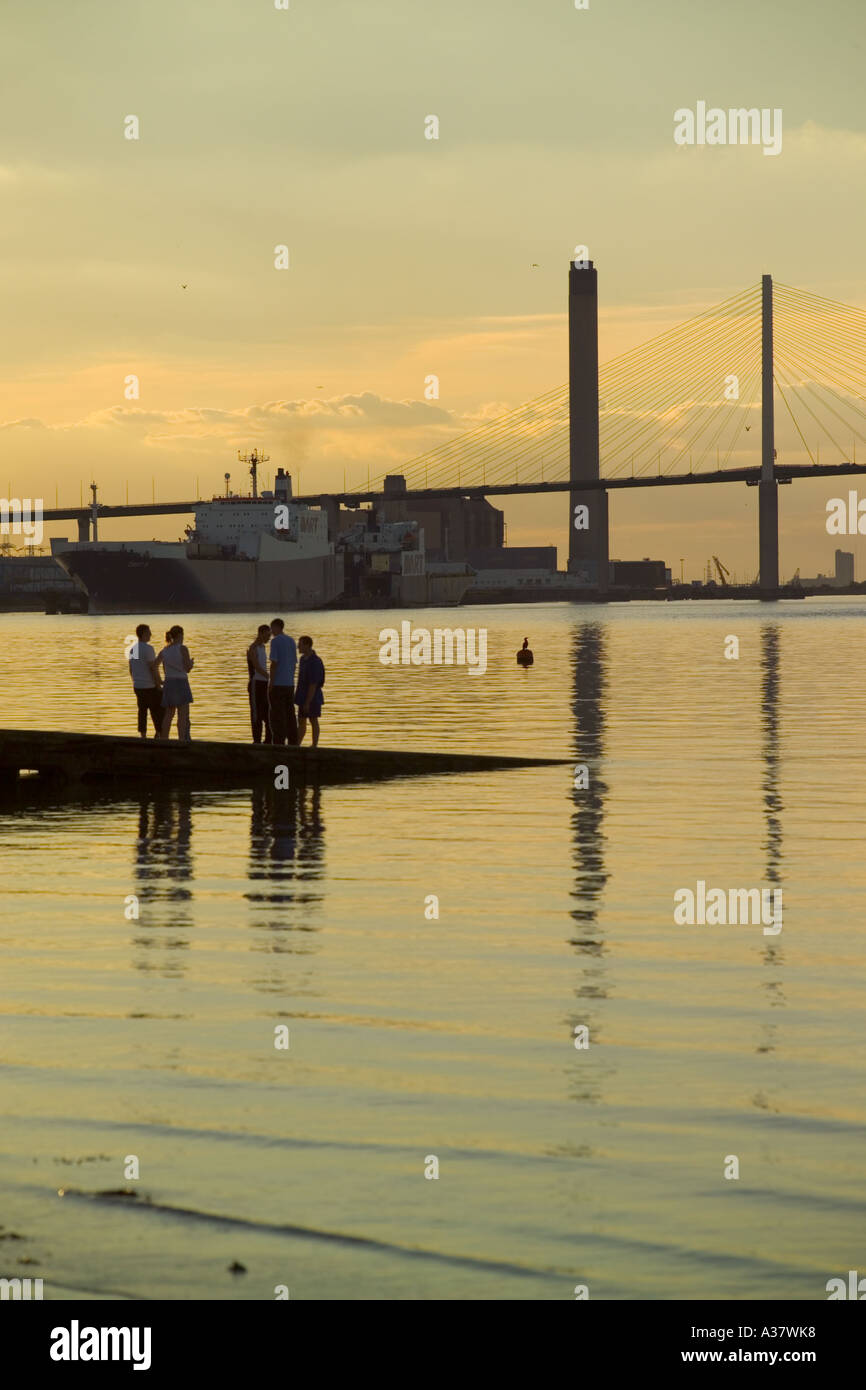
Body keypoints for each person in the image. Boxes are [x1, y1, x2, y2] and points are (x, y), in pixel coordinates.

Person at [157, 625, 194, 741]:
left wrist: (159, 681)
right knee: (182, 715)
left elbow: (154, 665)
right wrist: (191, 663)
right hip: (181, 682)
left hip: (169, 682)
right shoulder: (183, 649)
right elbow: (187, 668)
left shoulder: (164, 650)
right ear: (180, 635)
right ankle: (181, 740)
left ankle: (164, 739)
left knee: (169, 714)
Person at [128, 623, 162, 738]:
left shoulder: (133, 649)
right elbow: (153, 668)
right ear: (143, 634)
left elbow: (131, 668)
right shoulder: (148, 649)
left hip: (138, 685)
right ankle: (159, 733)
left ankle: (143, 735)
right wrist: (158, 684)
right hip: (149, 686)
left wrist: (135, 681)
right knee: (156, 711)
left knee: (142, 711)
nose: (150, 635)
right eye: (148, 632)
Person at [268, 618, 298, 746]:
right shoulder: (291, 641)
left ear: (277, 627)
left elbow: (274, 663)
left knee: (277, 714)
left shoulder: (275, 642)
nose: (271, 631)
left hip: (278, 684)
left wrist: (271, 682)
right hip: (290, 684)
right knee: (290, 713)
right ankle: (293, 741)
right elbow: (294, 663)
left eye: (272, 628)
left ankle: (279, 742)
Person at [295, 636, 325, 747]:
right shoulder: (302, 659)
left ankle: (314, 745)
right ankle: (297, 744)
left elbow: (313, 684)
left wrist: (308, 702)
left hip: (313, 697)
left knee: (313, 720)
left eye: (300, 644)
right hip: (302, 696)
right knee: (301, 721)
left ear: (307, 645)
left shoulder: (315, 661)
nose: (298, 646)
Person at [246, 624, 272, 743]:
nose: (269, 638)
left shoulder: (263, 647)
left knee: (267, 712)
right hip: (256, 683)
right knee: (256, 713)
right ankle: (256, 740)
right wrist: (270, 676)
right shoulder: (253, 648)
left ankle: (268, 740)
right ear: (260, 633)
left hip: (265, 684)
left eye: (270, 635)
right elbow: (256, 666)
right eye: (267, 635)